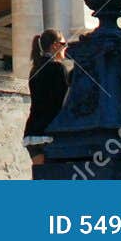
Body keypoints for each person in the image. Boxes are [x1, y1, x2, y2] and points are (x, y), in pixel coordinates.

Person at [22, 29, 68, 168]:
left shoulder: (34, 69)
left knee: (41, 175)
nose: (65, 48)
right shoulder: (58, 68)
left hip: (32, 132)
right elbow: (64, 100)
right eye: (63, 44)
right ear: (55, 45)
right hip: (52, 130)